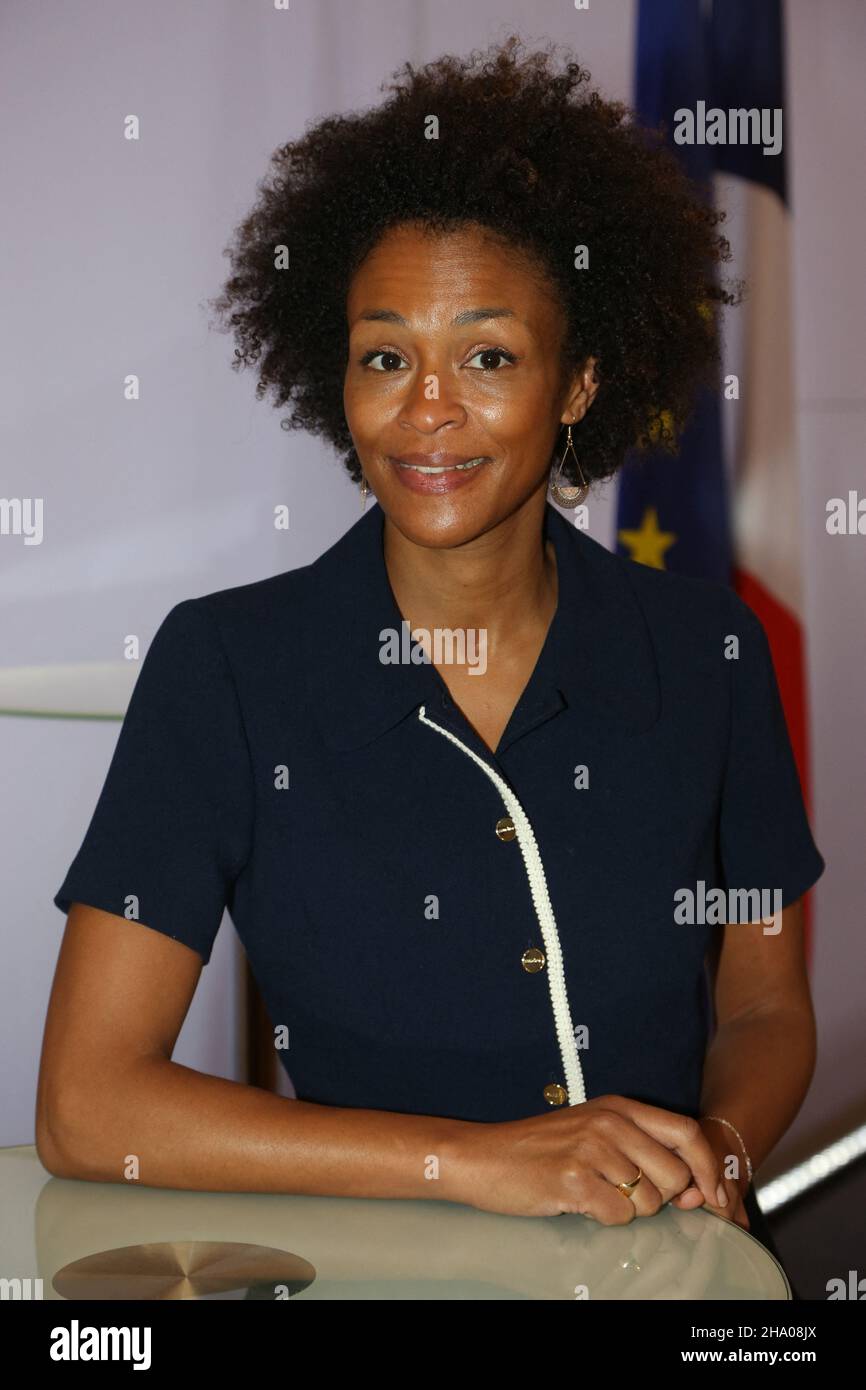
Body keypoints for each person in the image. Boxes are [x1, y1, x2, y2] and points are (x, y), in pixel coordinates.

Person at [39, 37, 822, 1287]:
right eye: (386, 354)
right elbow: (88, 1106)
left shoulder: (706, 652)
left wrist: (708, 1157)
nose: (427, 409)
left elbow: (766, 1004)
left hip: (679, 1272)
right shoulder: (229, 667)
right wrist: (471, 1160)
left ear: (579, 380)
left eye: (491, 356)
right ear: (334, 375)